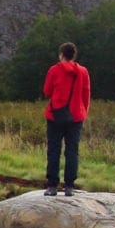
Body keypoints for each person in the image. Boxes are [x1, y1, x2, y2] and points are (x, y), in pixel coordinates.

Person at [43, 42, 90, 196]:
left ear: (62, 54)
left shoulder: (54, 70)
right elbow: (86, 94)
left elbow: (47, 91)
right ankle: (69, 186)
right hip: (76, 116)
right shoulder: (83, 72)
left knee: (54, 150)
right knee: (72, 151)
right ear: (73, 55)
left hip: (55, 115)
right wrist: (83, 113)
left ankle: (52, 186)